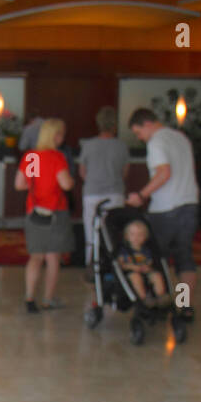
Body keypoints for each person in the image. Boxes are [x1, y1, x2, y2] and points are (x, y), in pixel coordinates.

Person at [126, 108, 199, 321]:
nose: (140, 138)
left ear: (147, 124)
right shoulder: (181, 137)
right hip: (189, 204)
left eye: (138, 133)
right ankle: (184, 306)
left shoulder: (156, 142)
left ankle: (158, 300)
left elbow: (164, 173)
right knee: (185, 259)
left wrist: (141, 195)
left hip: (166, 209)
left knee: (155, 257)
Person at [14, 118, 74, 313]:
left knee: (36, 257)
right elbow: (66, 184)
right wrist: (70, 182)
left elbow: (21, 184)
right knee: (52, 257)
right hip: (55, 212)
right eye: (62, 135)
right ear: (56, 136)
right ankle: (48, 299)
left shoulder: (32, 157)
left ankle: (30, 297)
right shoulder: (57, 157)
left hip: (34, 211)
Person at [77, 105, 129, 276]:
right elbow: (124, 172)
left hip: (92, 192)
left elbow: (82, 172)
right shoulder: (121, 146)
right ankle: (113, 264)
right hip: (115, 193)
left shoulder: (88, 145)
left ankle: (91, 265)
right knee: (113, 230)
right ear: (115, 125)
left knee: (91, 230)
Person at [117, 219, 169, 306]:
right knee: (135, 277)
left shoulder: (146, 250)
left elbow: (149, 261)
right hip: (131, 271)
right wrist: (132, 267)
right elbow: (120, 264)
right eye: (133, 234)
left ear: (145, 237)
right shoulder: (124, 251)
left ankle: (161, 295)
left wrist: (147, 267)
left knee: (157, 275)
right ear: (127, 236)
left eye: (140, 235)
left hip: (144, 270)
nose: (136, 238)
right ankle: (144, 298)